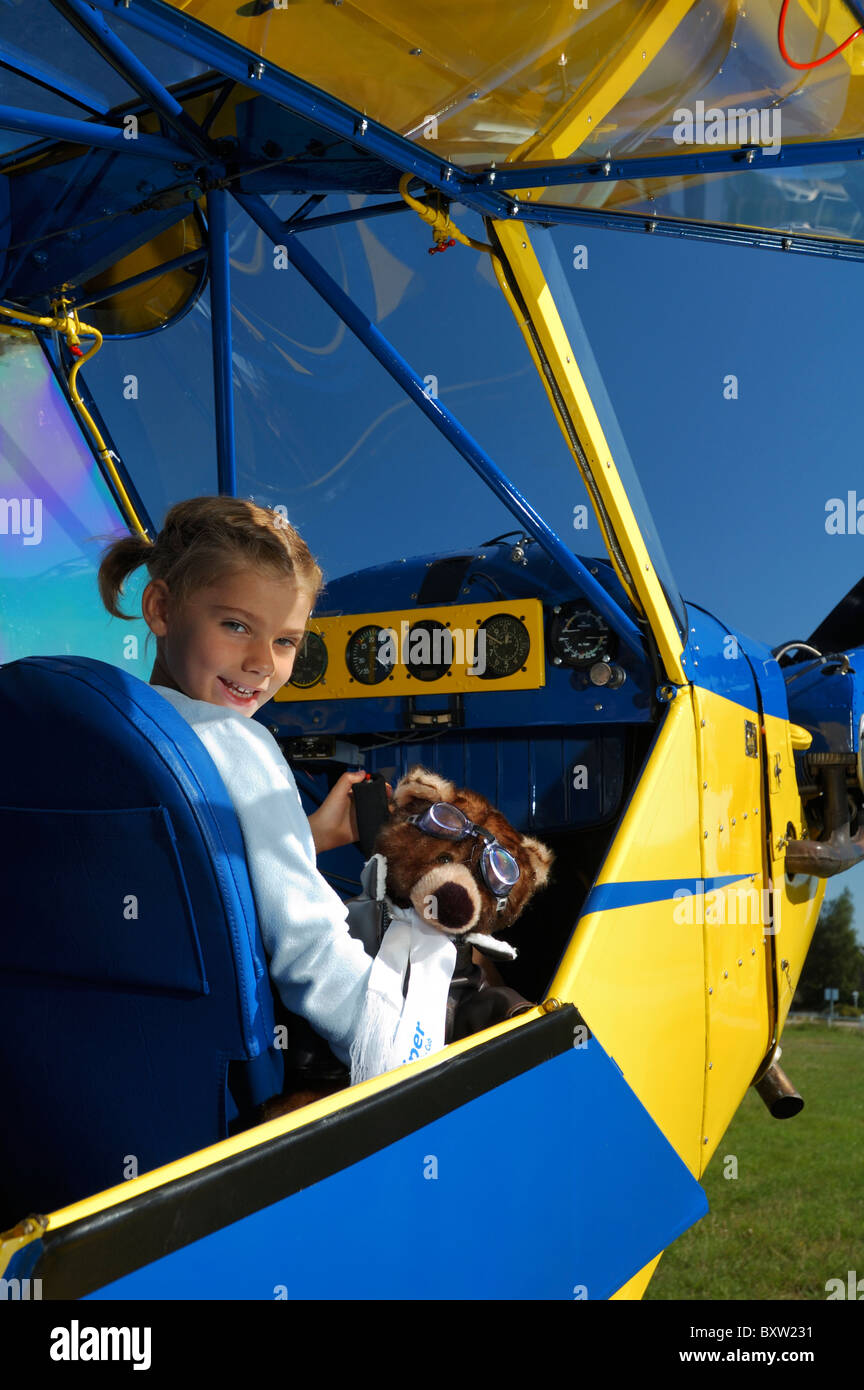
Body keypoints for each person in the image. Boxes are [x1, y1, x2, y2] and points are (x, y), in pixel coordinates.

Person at [97, 495, 374, 1071]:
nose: (261, 664)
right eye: (236, 625)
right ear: (161, 608)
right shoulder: (237, 741)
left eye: (285, 641)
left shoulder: (99, 719)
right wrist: (398, 1044)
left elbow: (168, 859)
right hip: (227, 1069)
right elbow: (311, 951)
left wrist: (304, 838)